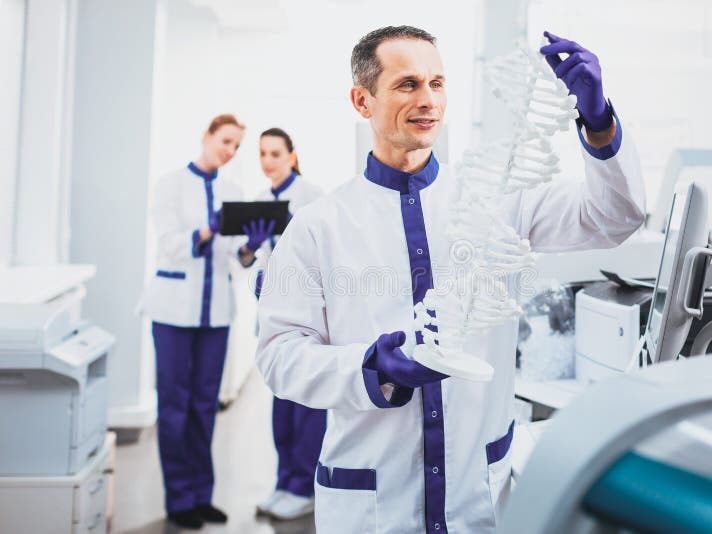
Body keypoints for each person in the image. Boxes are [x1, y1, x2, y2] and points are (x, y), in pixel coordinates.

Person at [256, 26, 646, 533]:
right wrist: (373, 368)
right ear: (362, 100)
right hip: (375, 502)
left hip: (477, 493)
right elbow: (279, 355)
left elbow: (617, 216)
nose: (427, 100)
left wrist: (599, 122)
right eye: (407, 84)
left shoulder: (499, 198)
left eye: (437, 84)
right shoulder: (318, 225)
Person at [143, 114, 274, 530]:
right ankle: (178, 497)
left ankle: (202, 495)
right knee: (175, 408)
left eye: (236, 146)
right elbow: (168, 247)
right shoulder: (169, 185)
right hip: (173, 313)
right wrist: (205, 230)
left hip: (216, 313)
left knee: (204, 407)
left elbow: (235, 260)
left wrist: (250, 248)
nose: (229, 150)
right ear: (207, 137)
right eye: (225, 141)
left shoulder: (232, 191)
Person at [250, 128, 326, 520]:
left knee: (305, 407)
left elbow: (327, 254)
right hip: (273, 314)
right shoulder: (261, 201)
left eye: (275, 153)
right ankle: (284, 481)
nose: (268, 161)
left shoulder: (314, 197)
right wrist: (251, 247)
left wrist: (290, 235)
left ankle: (304, 486)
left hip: (306, 316)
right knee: (282, 408)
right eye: (262, 154)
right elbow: (250, 261)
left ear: (292, 156)